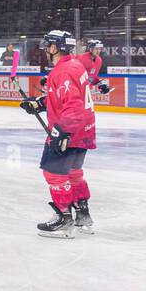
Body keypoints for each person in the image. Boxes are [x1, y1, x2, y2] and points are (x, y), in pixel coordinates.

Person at [21, 30, 96, 237]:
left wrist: (62, 131)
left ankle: (64, 218)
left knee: (54, 174)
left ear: (54, 48)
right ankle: (82, 214)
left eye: (47, 46)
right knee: (74, 173)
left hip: (69, 130)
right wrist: (41, 103)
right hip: (83, 131)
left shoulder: (61, 72)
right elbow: (67, 98)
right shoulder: (75, 65)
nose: (45, 50)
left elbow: (73, 105)